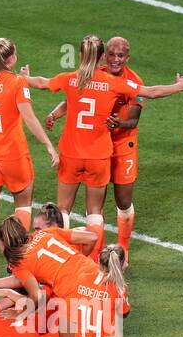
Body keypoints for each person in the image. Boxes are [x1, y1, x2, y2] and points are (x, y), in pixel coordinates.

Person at [23, 34, 183, 245]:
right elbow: (151, 92)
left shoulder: (70, 78)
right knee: (94, 212)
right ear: (102, 57)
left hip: (71, 153)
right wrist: (178, 87)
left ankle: (58, 255)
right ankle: (93, 263)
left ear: (81, 55)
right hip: (99, 156)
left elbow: (42, 83)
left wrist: (24, 77)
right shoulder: (111, 82)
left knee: (62, 210)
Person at [46, 36, 145, 260]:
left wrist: (118, 123)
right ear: (104, 55)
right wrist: (55, 113)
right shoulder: (96, 73)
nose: (116, 60)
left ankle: (123, 248)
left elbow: (134, 120)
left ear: (127, 58)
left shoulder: (134, 81)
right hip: (98, 146)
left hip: (122, 144)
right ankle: (93, 255)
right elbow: (75, 98)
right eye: (111, 54)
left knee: (123, 200)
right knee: (95, 206)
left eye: (121, 56)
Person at [0, 39, 59, 279]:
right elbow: (29, 119)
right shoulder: (17, 83)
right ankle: (17, 264)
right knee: (22, 205)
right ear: (10, 58)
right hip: (13, 156)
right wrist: (48, 144)